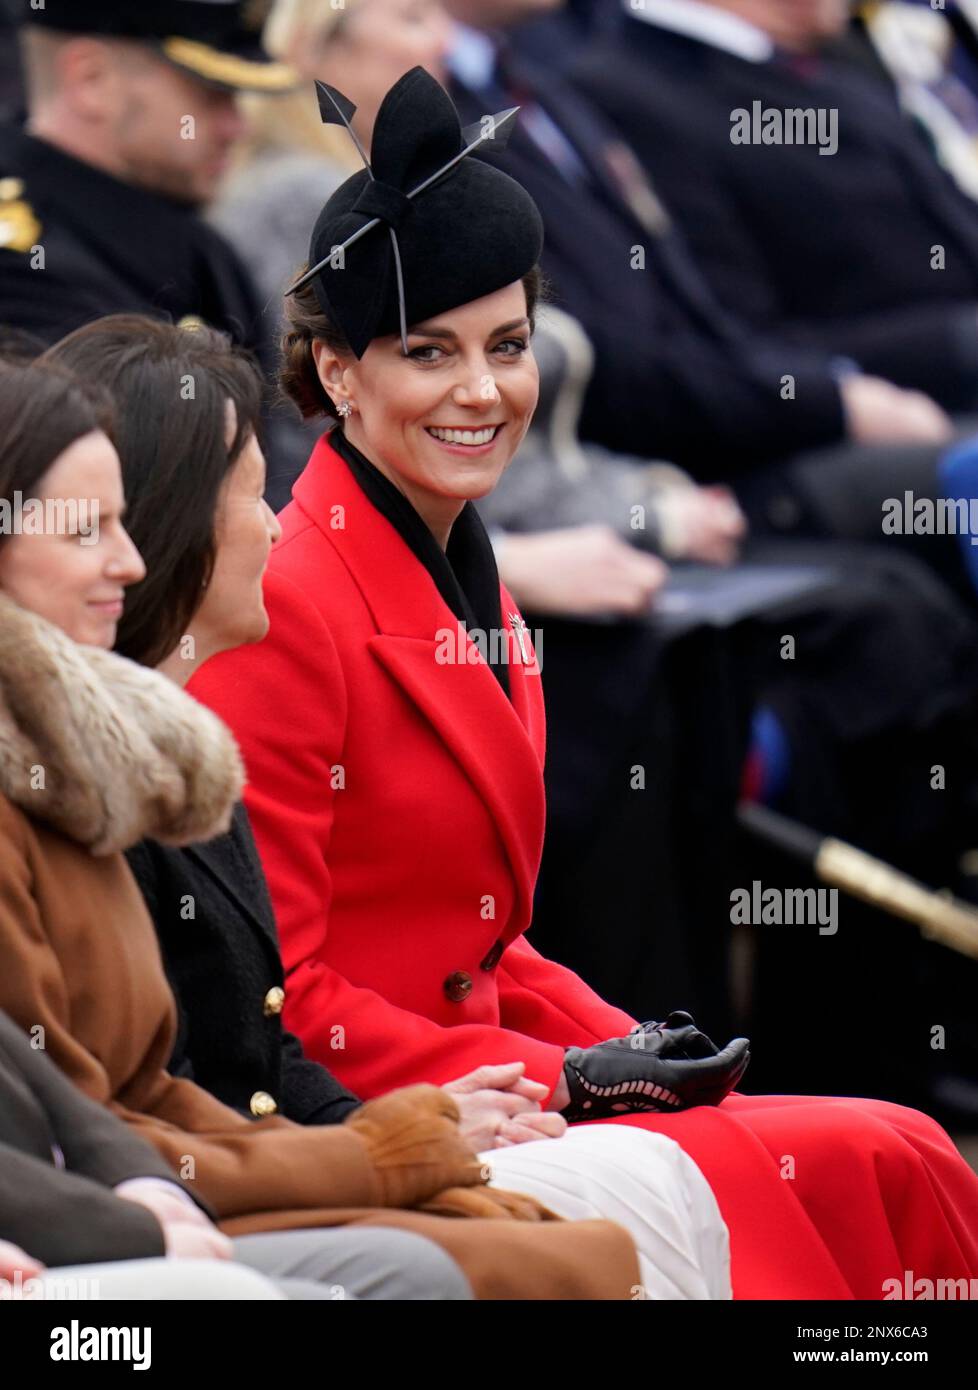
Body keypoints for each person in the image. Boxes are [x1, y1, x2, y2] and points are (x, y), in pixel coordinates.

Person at [190, 65, 978, 1301]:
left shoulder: (469, 571)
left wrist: (630, 1045)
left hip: (508, 1073)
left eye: (507, 347)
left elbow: (492, 944)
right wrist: (554, 1079)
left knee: (895, 1152)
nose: (483, 390)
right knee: (884, 1159)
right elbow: (279, 991)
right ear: (338, 376)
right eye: (427, 353)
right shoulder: (290, 597)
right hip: (403, 1113)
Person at [44, 312, 732, 1301]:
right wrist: (386, 1141)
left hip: (266, 1149)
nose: (278, 524)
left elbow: (260, 1040)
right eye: (247, 498)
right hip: (168, 1197)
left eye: (509, 344)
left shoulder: (177, 752)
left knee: (651, 1188)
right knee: (562, 1241)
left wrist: (586, 1059)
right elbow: (126, 1096)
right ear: (177, 525)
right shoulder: (83, 781)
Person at [569, 0, 978, 413]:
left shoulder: (828, 57)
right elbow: (738, 334)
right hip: (900, 405)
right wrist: (959, 341)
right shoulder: (628, 91)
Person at [0, 1011, 470, 1300]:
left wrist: (146, 1185)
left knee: (411, 1272)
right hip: (52, 1244)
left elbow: (49, 1083)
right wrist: (136, 1231)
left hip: (77, 1223)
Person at [0, 1, 291, 360]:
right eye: (211, 94)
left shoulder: (195, 244)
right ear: (92, 80)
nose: (238, 127)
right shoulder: (20, 266)